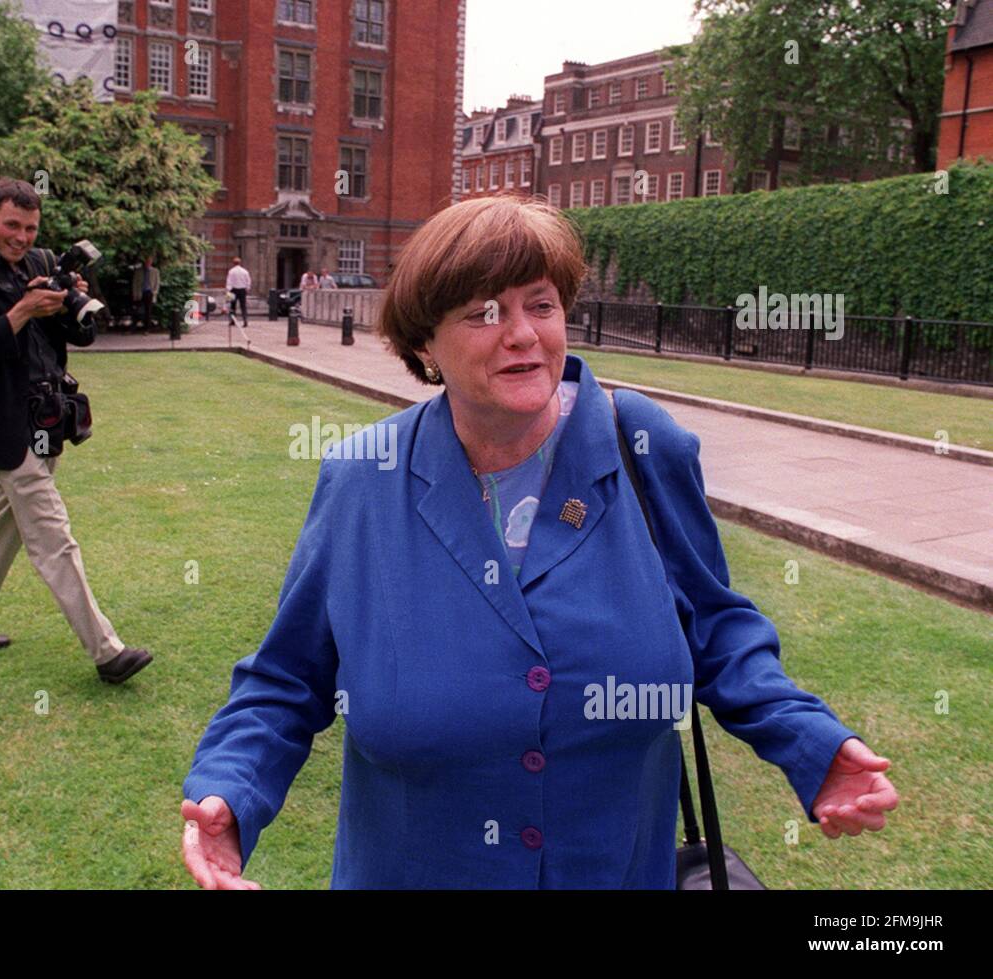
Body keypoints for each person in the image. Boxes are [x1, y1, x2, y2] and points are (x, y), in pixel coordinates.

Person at [180, 196, 898, 889]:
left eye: (541, 303)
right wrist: (230, 791)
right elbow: (287, 678)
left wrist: (809, 742)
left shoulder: (642, 445)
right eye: (485, 312)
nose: (522, 332)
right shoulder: (363, 477)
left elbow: (714, 624)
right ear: (424, 341)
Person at [0, 177, 151, 685]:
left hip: (48, 418)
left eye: (31, 228)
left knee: (2, 523)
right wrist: (21, 311)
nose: (22, 237)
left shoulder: (41, 262)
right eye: (12, 225)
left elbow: (79, 335)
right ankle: (107, 651)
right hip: (2, 422)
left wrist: (74, 302)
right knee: (53, 535)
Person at [132, 256, 160, 331]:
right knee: (137, 310)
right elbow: (135, 283)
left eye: (149, 261)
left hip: (150, 293)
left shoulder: (155, 271)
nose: (147, 263)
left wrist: (154, 292)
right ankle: (134, 327)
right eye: (146, 261)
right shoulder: (139, 271)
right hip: (140, 293)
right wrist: (135, 294)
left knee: (148, 311)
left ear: (151, 262)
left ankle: (146, 329)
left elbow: (157, 283)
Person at [224, 256, 250, 328]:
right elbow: (248, 281)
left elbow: (229, 282)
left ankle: (232, 321)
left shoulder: (231, 271)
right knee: (243, 306)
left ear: (233, 263)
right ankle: (245, 321)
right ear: (240, 263)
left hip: (233, 290)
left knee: (232, 306)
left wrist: (227, 291)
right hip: (242, 290)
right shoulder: (245, 271)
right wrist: (247, 289)